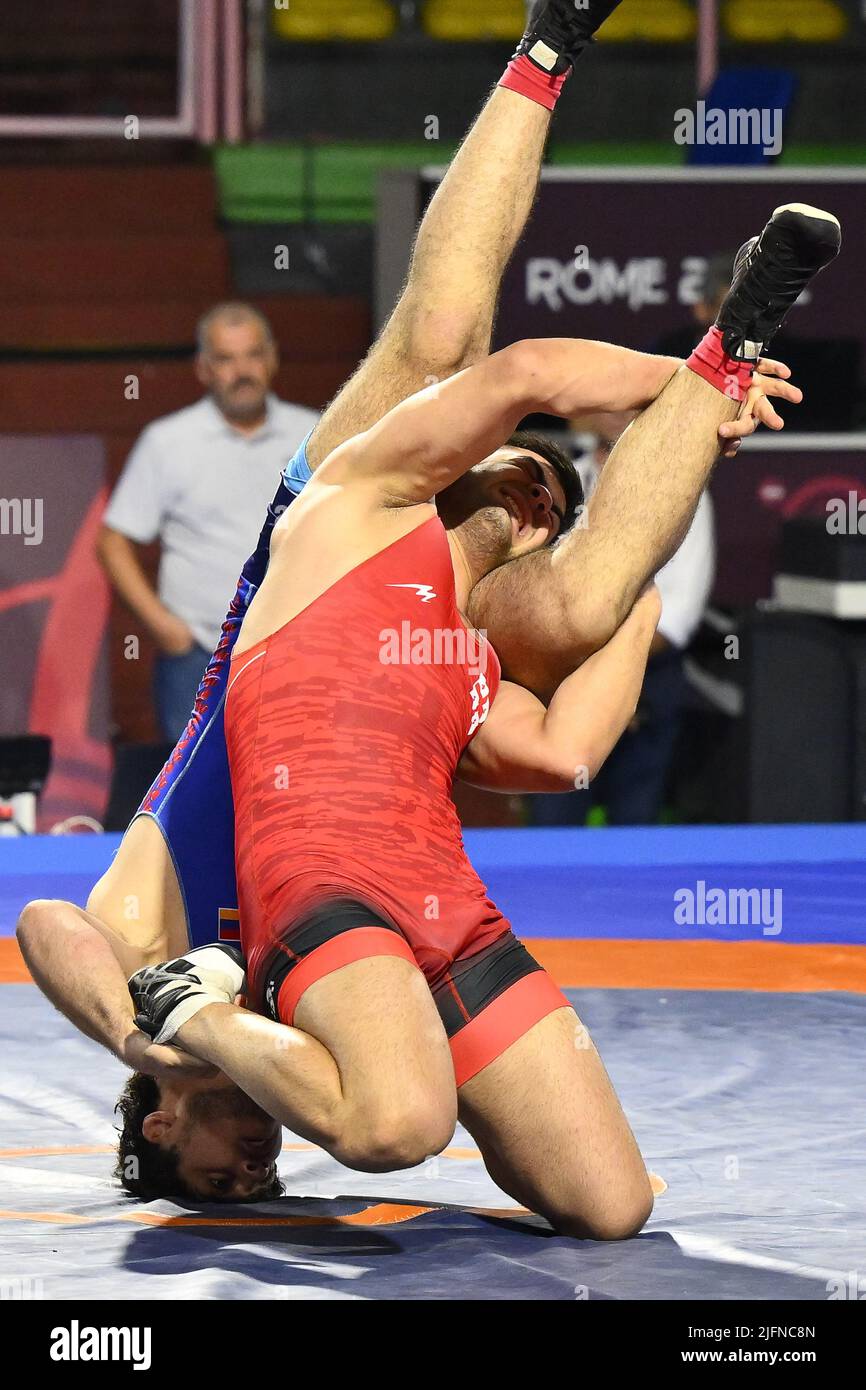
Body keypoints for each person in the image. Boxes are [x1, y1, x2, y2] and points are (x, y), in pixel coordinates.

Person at [17, 0, 824, 1217]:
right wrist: (659, 498)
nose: (257, 1149)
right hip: (396, 747)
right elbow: (554, 750)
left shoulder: (159, 939)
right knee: (575, 606)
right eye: (266, 1162)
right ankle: (723, 348)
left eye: (220, 1152)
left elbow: (42, 921)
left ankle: (545, 45)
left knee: (441, 340)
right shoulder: (297, 1034)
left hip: (303, 589)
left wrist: (152, 1036)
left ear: (161, 1118)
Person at [97, 303, 318, 739]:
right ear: (202, 368)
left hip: (298, 647)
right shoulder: (168, 441)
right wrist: (167, 629)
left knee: (292, 791)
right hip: (199, 657)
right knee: (196, 801)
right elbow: (112, 541)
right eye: (225, 359)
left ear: (272, 359)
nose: (242, 371)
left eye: (253, 355)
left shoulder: (314, 435)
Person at [530, 415, 715, 825]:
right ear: (595, 447)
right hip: (561, 678)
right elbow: (532, 597)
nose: (616, 459)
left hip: (648, 674)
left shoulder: (686, 496)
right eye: (608, 446)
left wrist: (615, 680)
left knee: (636, 821)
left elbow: (678, 615)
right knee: (552, 822)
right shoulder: (556, 491)